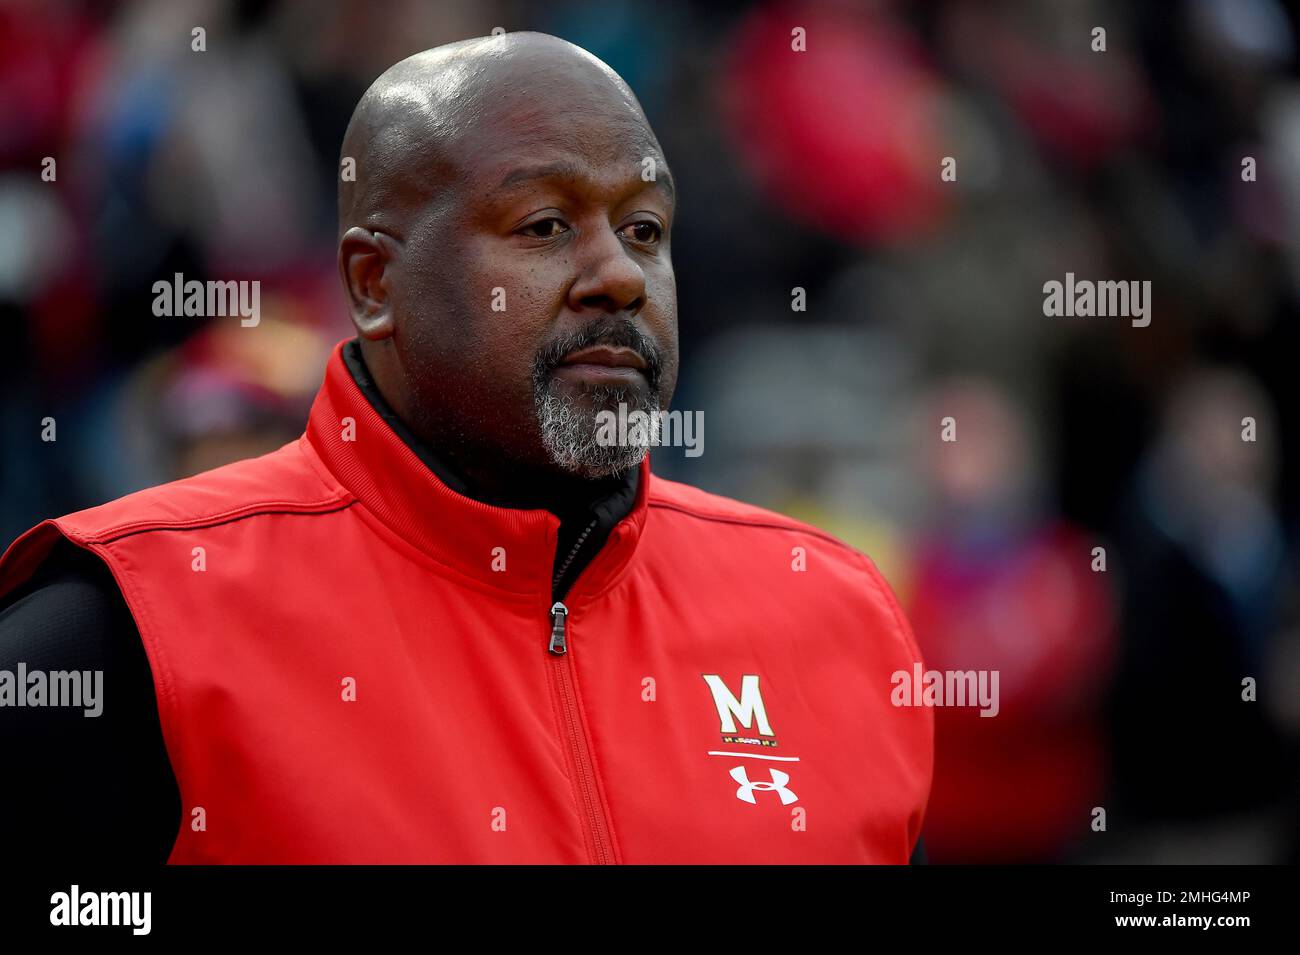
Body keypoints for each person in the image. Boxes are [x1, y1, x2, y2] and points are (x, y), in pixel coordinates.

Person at [0, 32, 931, 864]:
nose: (618, 274)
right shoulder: (122, 627)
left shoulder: (834, 614)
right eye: (545, 226)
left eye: (644, 228)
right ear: (376, 283)